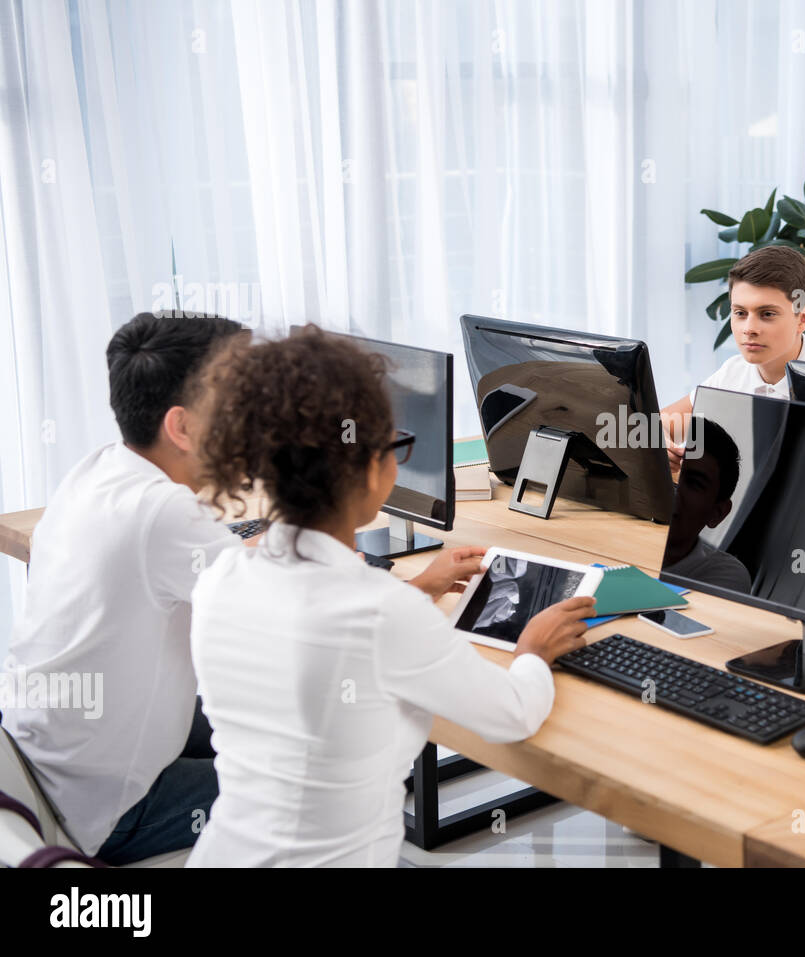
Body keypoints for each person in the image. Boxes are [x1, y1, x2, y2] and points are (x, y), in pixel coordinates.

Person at [185, 325, 594, 867]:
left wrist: (418, 591)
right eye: (394, 446)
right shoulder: (377, 609)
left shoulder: (223, 577)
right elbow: (512, 716)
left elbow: (332, 641)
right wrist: (533, 651)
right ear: (366, 466)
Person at [1, 310, 247, 864]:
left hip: (44, 757)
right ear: (182, 427)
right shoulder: (162, 511)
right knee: (317, 770)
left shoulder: (98, 469)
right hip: (105, 811)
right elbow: (292, 614)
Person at [661, 245, 805, 471]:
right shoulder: (733, 372)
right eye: (740, 313)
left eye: (767, 314)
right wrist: (662, 445)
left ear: (803, 318)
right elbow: (663, 423)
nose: (749, 329)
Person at [661, 417, 752, 593]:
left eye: (694, 483)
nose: (673, 491)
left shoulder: (725, 575)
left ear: (717, 514)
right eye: (666, 472)